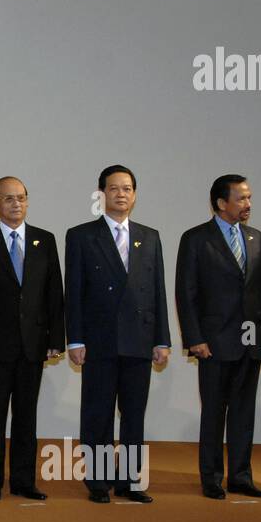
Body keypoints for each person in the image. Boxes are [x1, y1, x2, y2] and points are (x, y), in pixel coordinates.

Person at [65, 165, 170, 503]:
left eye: (127, 188)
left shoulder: (149, 236)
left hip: (139, 340)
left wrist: (162, 339)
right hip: (99, 340)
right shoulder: (81, 236)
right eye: (113, 188)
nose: (121, 194)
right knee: (97, 412)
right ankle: (97, 481)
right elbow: (75, 292)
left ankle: (128, 481)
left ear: (134, 195)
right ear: (102, 194)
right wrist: (75, 339)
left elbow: (157, 291)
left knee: (134, 414)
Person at [175, 175, 261, 500]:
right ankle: (212, 478)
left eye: (249, 198)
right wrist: (195, 338)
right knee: (215, 412)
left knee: (245, 412)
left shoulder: (256, 238)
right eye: (241, 198)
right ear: (221, 203)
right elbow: (186, 293)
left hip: (250, 341)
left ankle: (241, 477)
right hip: (214, 343)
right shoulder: (196, 239)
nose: (248, 205)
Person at [0, 176, 63, 502]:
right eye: (8, 199)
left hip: (33, 345)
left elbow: (54, 294)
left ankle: (24, 481)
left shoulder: (44, 240)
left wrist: (56, 338)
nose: (15, 204)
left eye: (21, 197)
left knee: (26, 417)